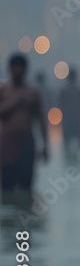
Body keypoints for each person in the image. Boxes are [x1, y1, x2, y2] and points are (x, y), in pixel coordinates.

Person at [0, 53, 49, 193]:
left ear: (25, 70)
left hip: (26, 144)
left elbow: (41, 120)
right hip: (7, 144)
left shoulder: (33, 93)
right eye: (14, 68)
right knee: (6, 187)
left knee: (26, 187)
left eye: (20, 68)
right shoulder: (3, 92)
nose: (17, 71)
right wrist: (16, 101)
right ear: (9, 70)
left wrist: (45, 146)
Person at [57, 67, 80, 153]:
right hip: (77, 118)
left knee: (67, 145)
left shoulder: (63, 90)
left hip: (67, 119)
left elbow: (60, 104)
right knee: (79, 145)